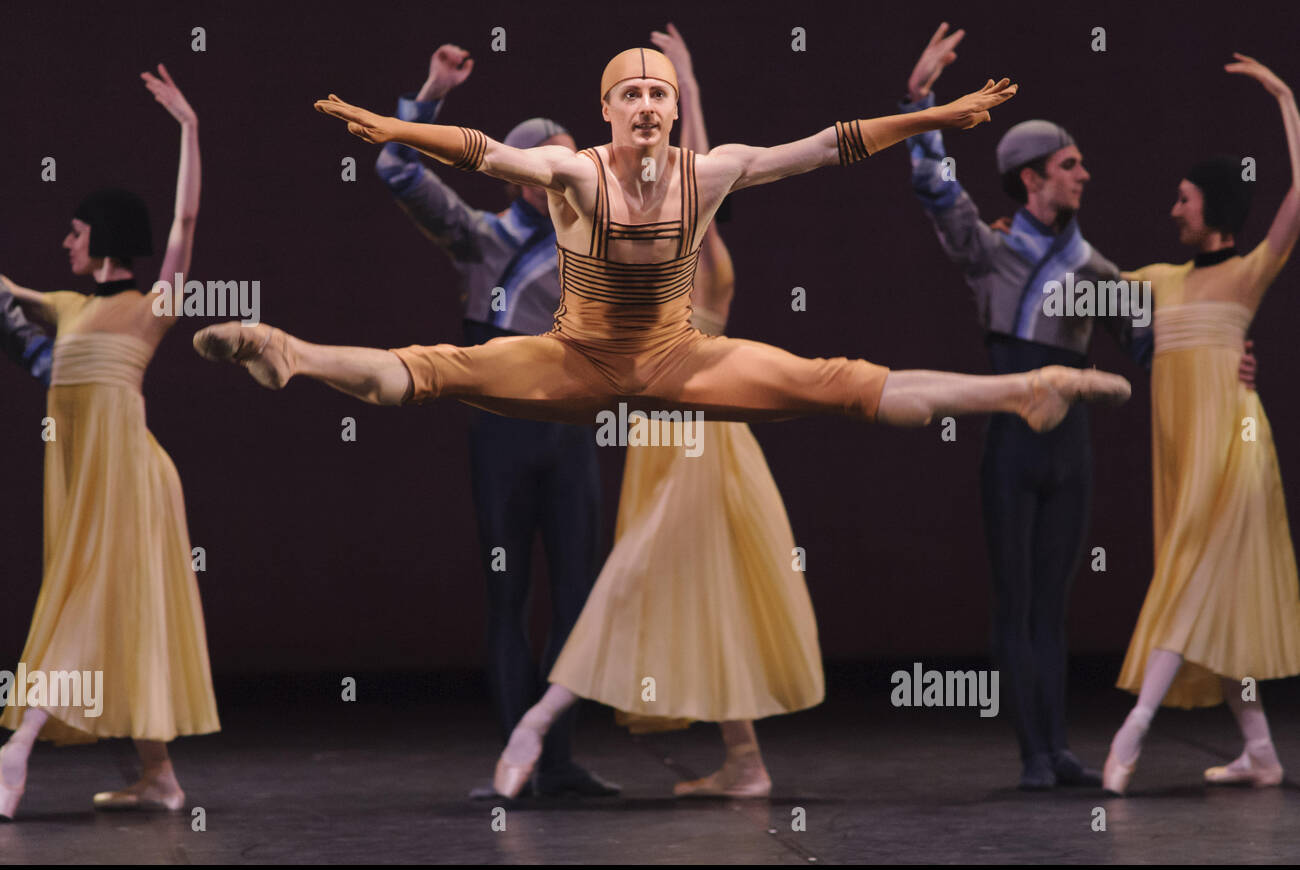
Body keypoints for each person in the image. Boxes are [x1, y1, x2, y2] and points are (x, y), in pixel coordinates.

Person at [192, 48, 1133, 798]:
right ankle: (293, 351)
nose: (645, 104)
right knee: (440, 373)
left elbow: (826, 146)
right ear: (608, 112)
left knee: (843, 383)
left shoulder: (710, 170)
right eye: (629, 93)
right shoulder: (575, 172)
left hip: (683, 356)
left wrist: (933, 119)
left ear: (673, 110)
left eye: (657, 92)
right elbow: (488, 152)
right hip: (579, 357)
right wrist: (396, 123)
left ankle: (1026, 385)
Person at [897, 24, 1256, 790]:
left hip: (1072, 445)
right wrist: (922, 102)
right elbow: (935, 189)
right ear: (1032, 180)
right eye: (1070, 165)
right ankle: (1031, 750)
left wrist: (1229, 361)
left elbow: (1155, 342)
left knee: (1055, 600)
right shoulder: (990, 252)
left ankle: (1057, 747)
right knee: (1017, 597)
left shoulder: (1092, 267)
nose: (1085, 174)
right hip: (1015, 438)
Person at [558, 24, 816, 798]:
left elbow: (693, 164)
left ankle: (544, 719)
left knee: (658, 579)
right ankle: (745, 759)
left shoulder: (704, 259)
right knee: (699, 591)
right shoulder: (660, 234)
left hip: (698, 437)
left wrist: (690, 91)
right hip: (664, 434)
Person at [373, 43, 613, 798]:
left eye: (570, 164)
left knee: (578, 596)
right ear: (514, 171)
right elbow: (396, 171)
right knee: (508, 597)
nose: (561, 178)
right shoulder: (480, 238)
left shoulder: (596, 247)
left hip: (572, 434)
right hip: (504, 438)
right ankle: (517, 762)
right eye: (546, 165)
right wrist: (431, 92)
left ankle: (561, 758)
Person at [0, 65, 218, 821]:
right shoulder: (65, 305)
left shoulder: (150, 306)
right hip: (88, 484)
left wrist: (189, 129)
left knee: (89, 605)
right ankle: (159, 777)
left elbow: (185, 228)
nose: (65, 240)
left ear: (106, 242)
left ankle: (18, 742)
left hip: (132, 480)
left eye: (77, 231)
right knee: (126, 615)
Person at [1103, 54, 1300, 795]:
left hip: (1238, 450)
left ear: (1211, 206)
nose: (1174, 209)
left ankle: (1135, 730)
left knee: (1191, 580)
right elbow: (1080, 288)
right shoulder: (1159, 283)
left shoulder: (1247, 275)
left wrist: (1285, 97)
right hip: (1187, 460)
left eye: (1183, 199)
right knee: (1214, 589)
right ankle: (1260, 748)